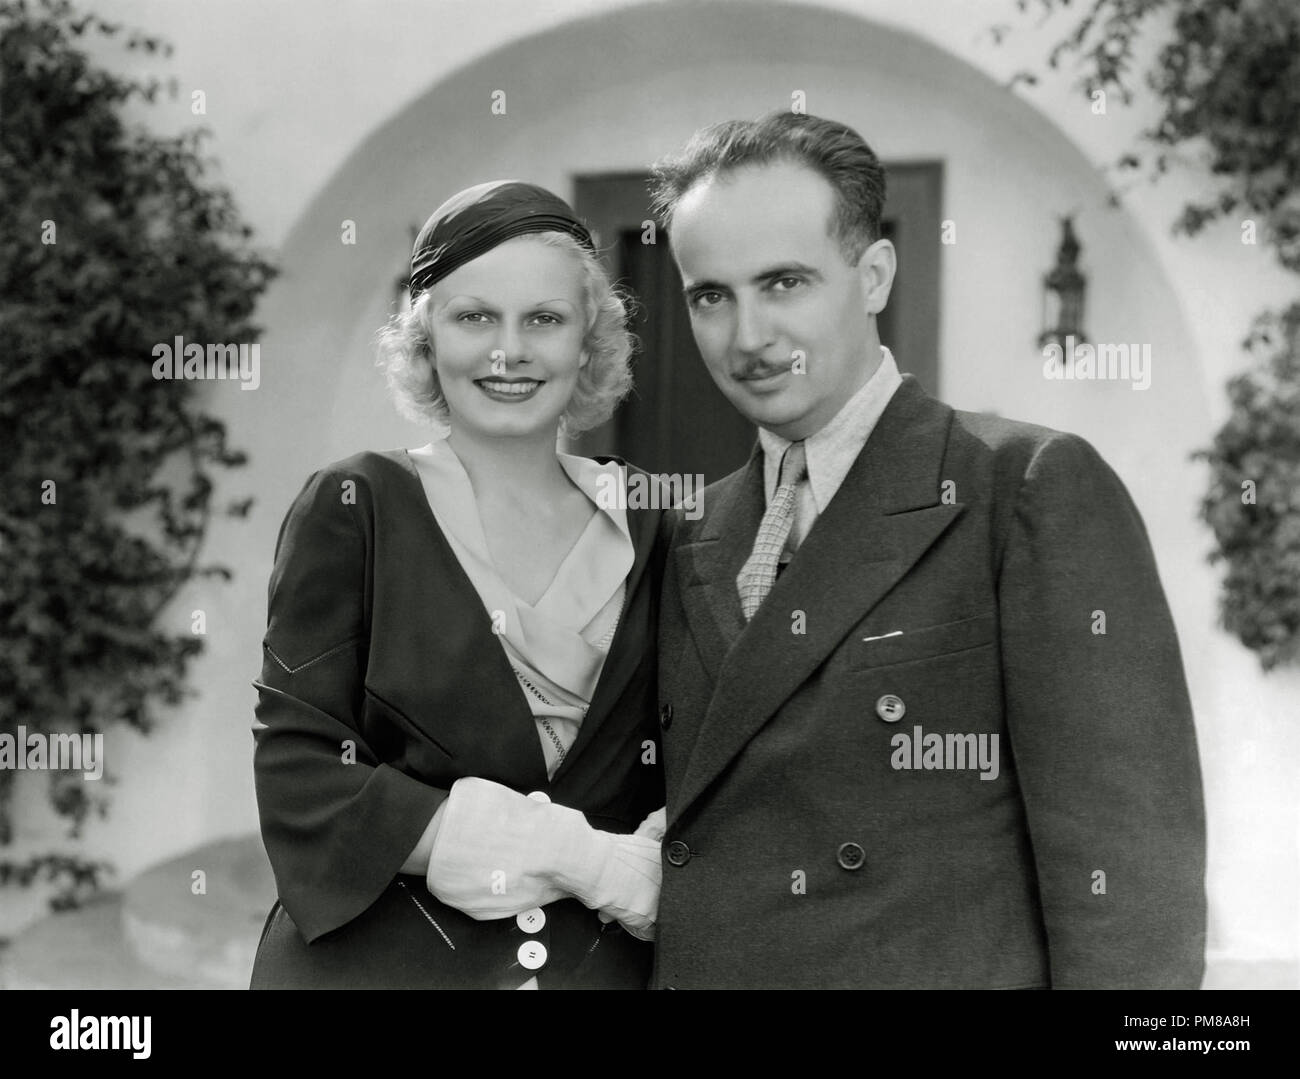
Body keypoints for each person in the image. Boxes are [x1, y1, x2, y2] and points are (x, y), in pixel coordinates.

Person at [647, 112, 1207, 989]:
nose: (746, 334)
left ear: (873, 275)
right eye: (710, 294)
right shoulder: (690, 531)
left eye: (784, 281)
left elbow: (1131, 880)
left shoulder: (1023, 487)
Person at [250, 181, 666, 989]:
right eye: (474, 316)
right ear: (426, 338)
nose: (508, 351)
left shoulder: (656, 520)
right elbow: (302, 776)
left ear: (589, 340)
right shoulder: (356, 505)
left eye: (544, 318)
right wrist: (577, 856)